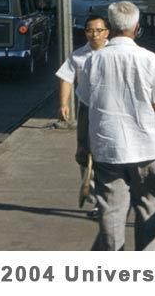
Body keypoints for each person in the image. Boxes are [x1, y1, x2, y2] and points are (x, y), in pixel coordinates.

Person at [82, 1, 155, 251]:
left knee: (111, 211)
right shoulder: (150, 60)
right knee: (150, 208)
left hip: (107, 149)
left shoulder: (93, 61)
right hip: (145, 148)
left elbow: (85, 107)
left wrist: (83, 146)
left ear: (110, 27)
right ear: (137, 27)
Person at [55, 14, 110, 216]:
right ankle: (95, 198)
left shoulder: (115, 53)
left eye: (98, 30)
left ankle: (110, 199)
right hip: (87, 109)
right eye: (89, 30)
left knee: (106, 155)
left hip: (110, 111)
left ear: (107, 32)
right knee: (84, 154)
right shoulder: (78, 55)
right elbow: (66, 78)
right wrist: (64, 104)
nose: (94, 35)